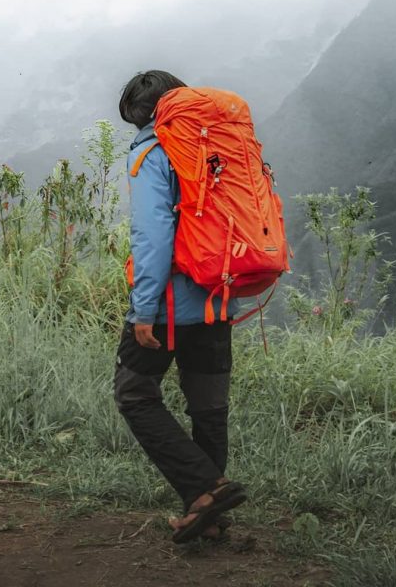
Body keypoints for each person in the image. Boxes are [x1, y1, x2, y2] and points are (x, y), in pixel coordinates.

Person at [113, 70, 247, 544]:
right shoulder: (222, 146)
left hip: (170, 306)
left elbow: (152, 236)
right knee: (209, 408)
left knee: (134, 394)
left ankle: (206, 489)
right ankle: (209, 513)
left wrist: (143, 309)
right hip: (219, 297)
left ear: (139, 116)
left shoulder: (153, 152)